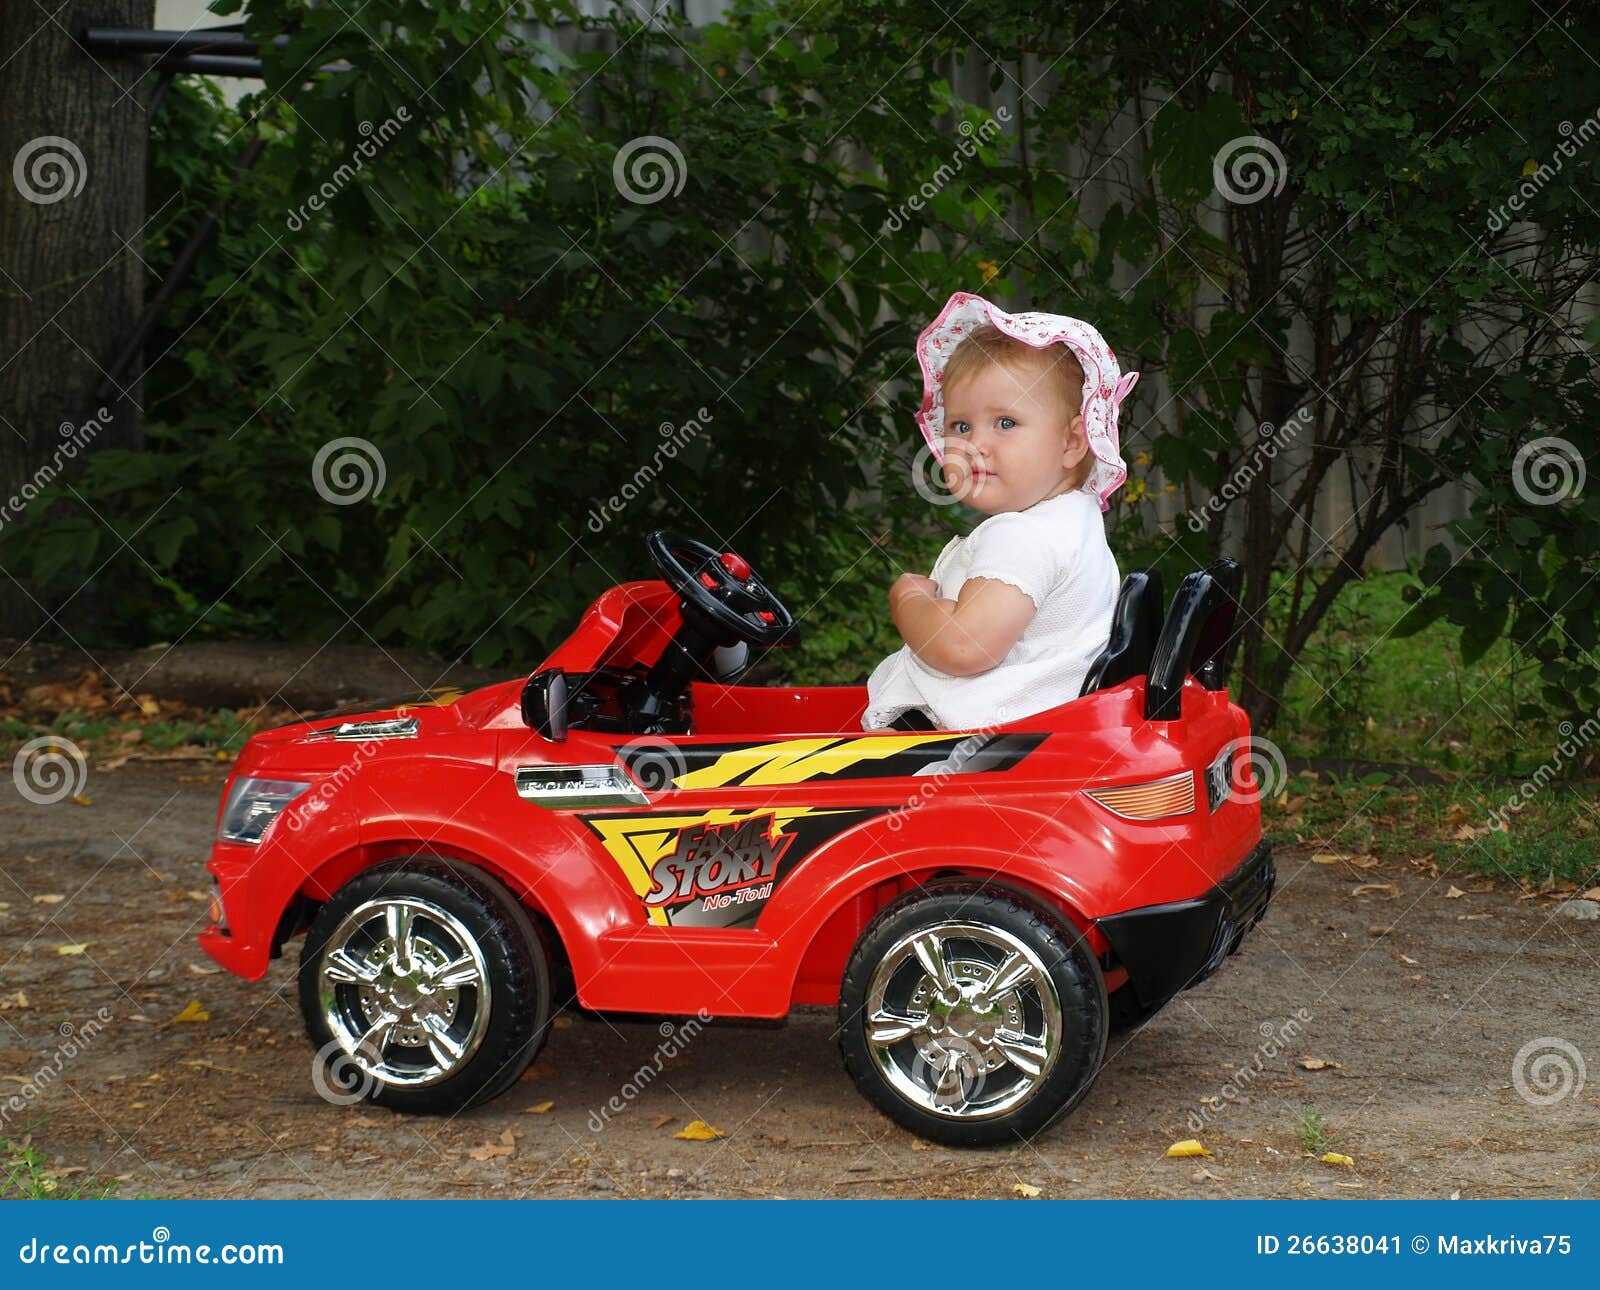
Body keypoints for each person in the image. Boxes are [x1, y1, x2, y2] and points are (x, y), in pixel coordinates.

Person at [861, 291, 1140, 731]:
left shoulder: (1021, 536)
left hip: (967, 750)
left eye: (1005, 423)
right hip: (1034, 740)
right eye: (961, 425)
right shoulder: (1076, 523)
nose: (976, 444)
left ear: (1072, 442)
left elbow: (962, 647)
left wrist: (909, 600)